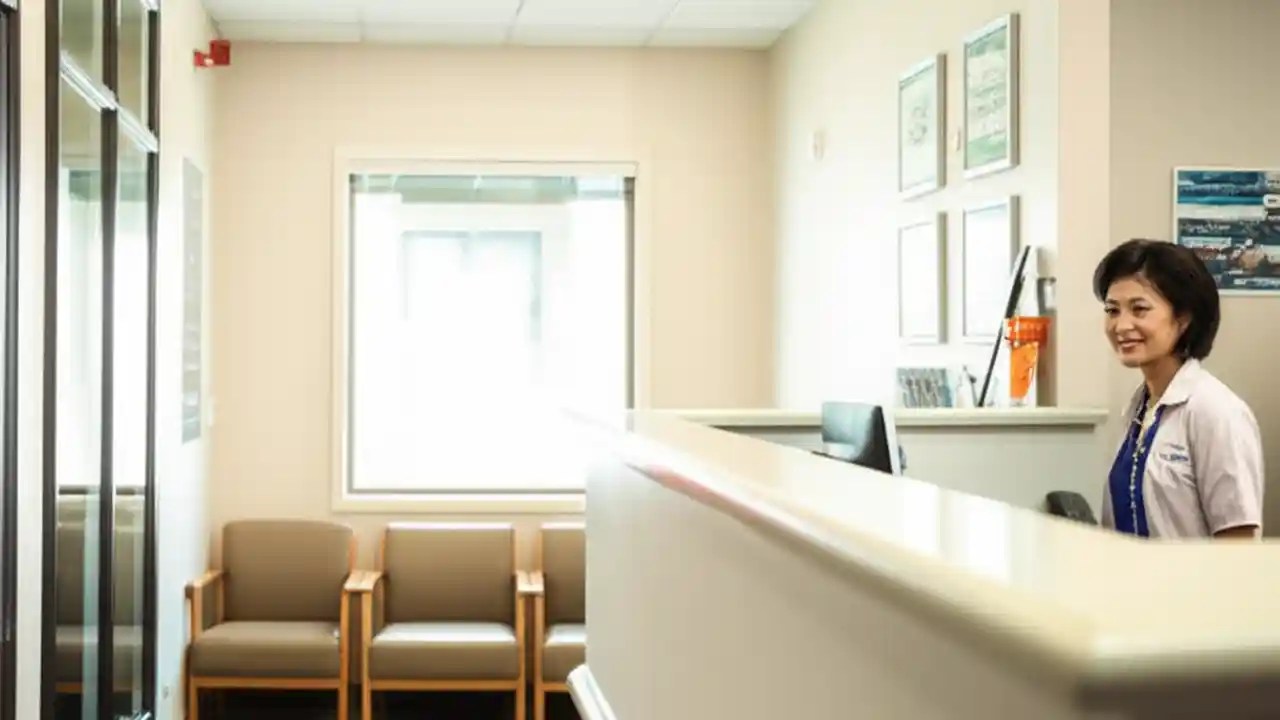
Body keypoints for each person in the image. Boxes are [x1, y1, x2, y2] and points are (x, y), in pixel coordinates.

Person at [1094, 239, 1264, 539]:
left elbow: (1238, 540)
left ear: (1183, 319)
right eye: (1112, 310)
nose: (1121, 326)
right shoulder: (1138, 408)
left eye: (1139, 309)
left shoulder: (1216, 411)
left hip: (1194, 586)